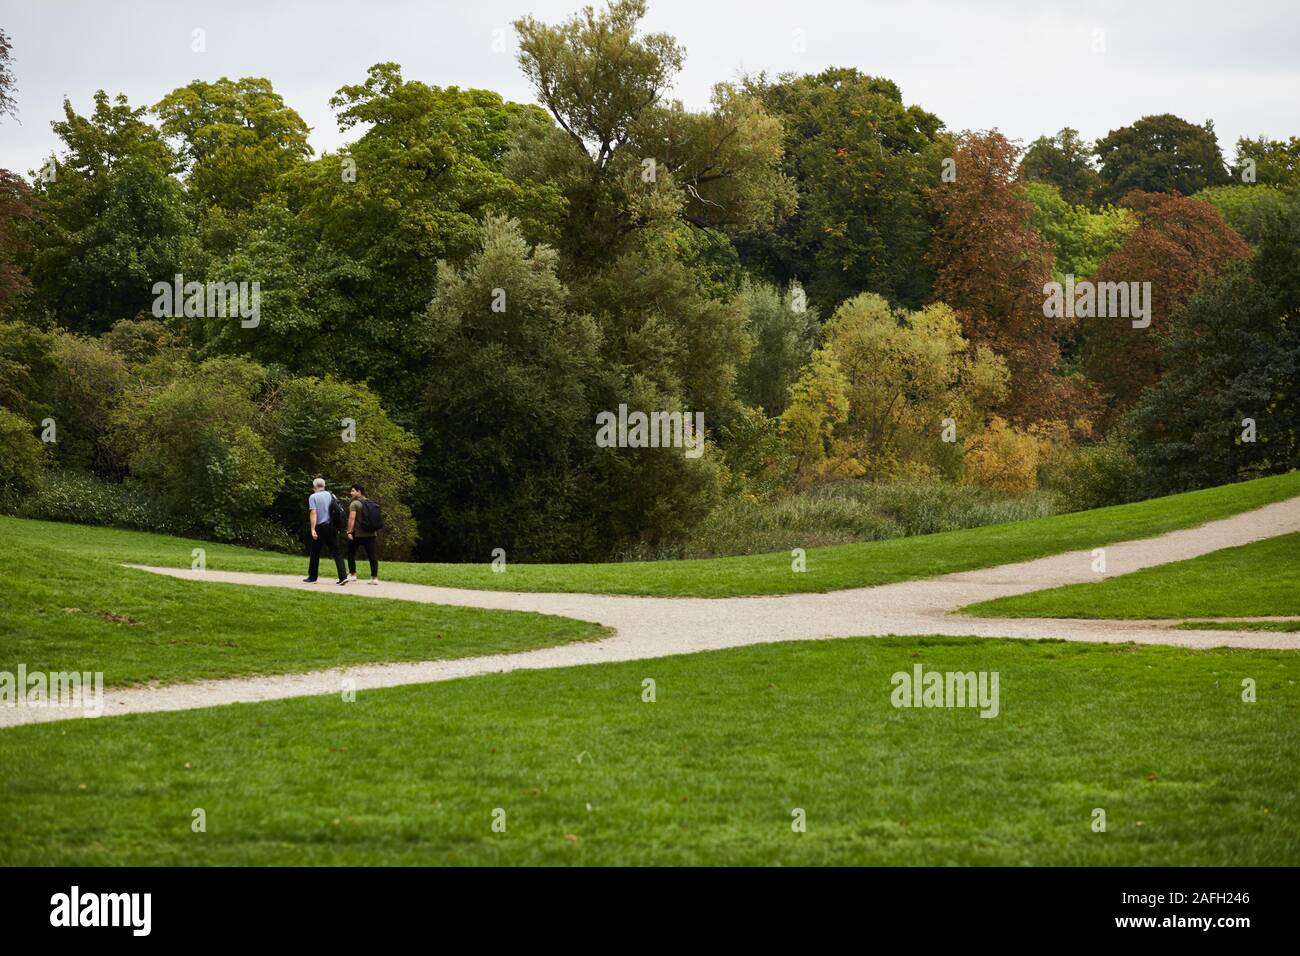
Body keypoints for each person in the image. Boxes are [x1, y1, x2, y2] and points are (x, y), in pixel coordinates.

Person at [304, 477, 347, 585]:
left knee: (315, 552)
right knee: (337, 552)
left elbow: (313, 512)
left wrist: (313, 529)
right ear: (324, 486)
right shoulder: (331, 495)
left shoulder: (313, 497)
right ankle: (343, 576)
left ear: (314, 486)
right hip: (332, 527)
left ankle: (312, 577)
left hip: (320, 527)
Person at [345, 483, 380, 585]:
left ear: (359, 492)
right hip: (371, 533)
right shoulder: (371, 502)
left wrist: (349, 531)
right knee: (372, 556)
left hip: (358, 534)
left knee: (351, 553)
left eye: (352, 491)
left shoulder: (354, 504)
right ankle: (374, 578)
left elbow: (351, 518)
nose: (351, 493)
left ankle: (353, 575)